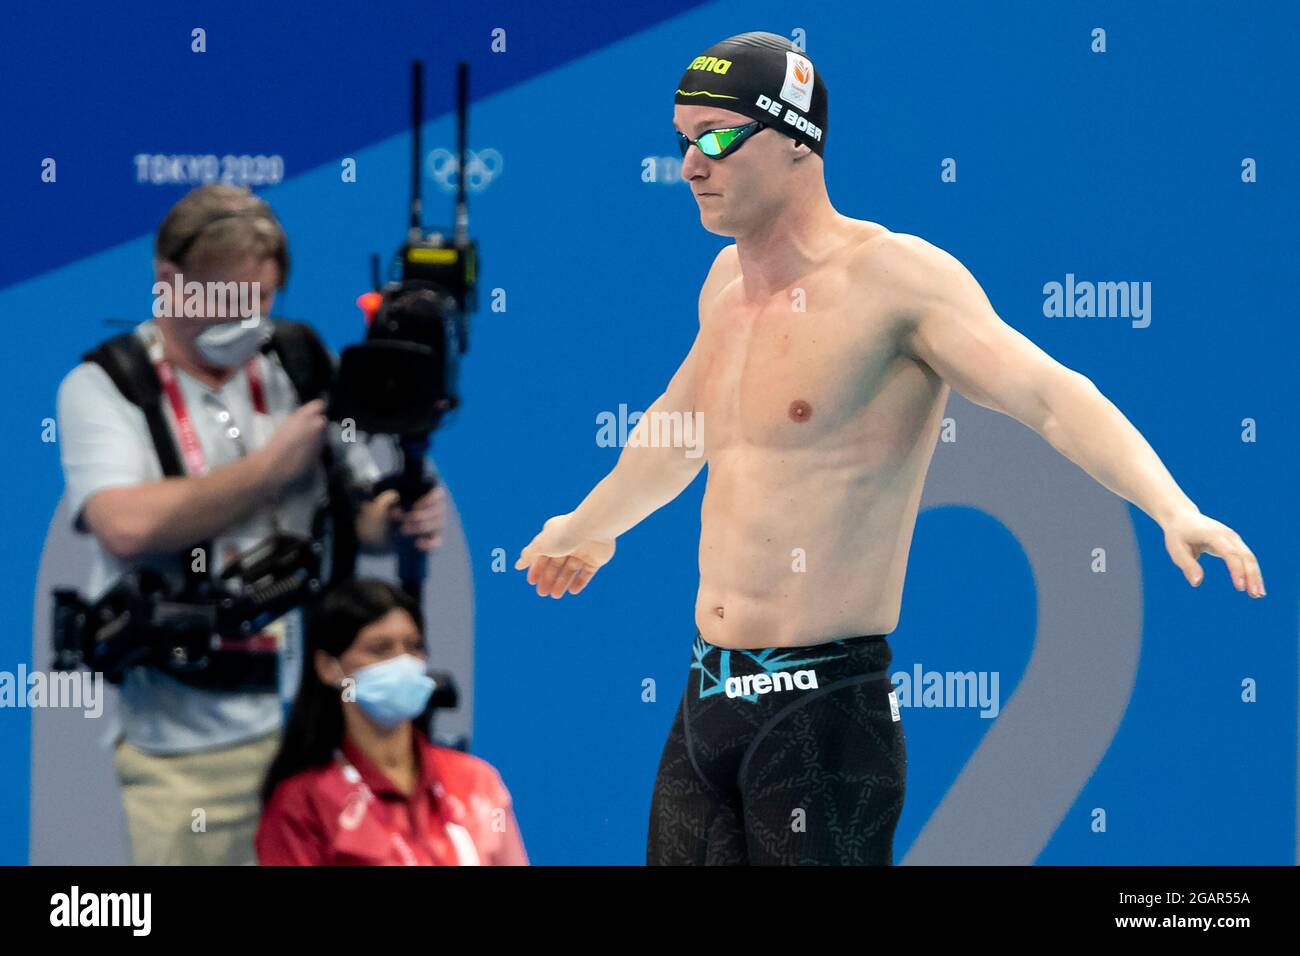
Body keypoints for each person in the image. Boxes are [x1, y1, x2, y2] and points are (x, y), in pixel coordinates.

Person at [514, 32, 1266, 865]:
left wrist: (1173, 507)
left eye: (720, 138)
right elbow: (675, 435)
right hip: (706, 695)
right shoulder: (725, 286)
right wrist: (589, 525)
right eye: (683, 141)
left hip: (823, 713)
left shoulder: (896, 282)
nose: (692, 164)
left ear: (798, 143)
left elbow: (1052, 397)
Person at [55, 184, 447, 865]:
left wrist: (397, 518)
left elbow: (359, 515)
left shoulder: (297, 361)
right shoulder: (105, 387)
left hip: (314, 731)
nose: (249, 318)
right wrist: (268, 468)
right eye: (230, 298)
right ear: (168, 281)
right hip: (185, 750)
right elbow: (122, 524)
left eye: (262, 300)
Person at [256, 578, 527, 865]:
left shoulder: (476, 782)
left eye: (412, 647)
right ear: (328, 668)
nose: (403, 664)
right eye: (380, 649)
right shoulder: (302, 804)